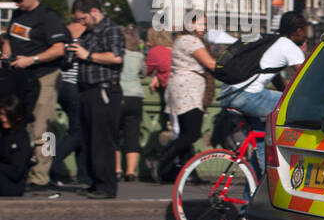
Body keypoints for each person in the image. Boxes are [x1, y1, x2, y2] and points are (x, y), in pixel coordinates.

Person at [1, 0, 71, 190]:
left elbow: (60, 48)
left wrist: (32, 59)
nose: (17, 4)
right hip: (21, 78)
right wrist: (7, 56)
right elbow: (10, 40)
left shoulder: (47, 17)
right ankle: (23, 170)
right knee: (20, 126)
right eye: (14, 1)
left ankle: (41, 176)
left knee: (44, 129)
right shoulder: (19, 14)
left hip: (44, 76)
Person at [220, 12, 308, 170]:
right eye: (306, 30)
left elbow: (274, 78)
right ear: (299, 30)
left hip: (228, 93)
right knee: (296, 106)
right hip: (247, 96)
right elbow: (307, 79)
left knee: (261, 138)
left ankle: (255, 188)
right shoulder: (290, 47)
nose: (306, 36)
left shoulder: (268, 40)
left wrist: (286, 91)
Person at [67, 0, 125, 199]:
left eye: (82, 18)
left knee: (102, 139)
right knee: (88, 138)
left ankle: (106, 185)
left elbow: (117, 57)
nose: (81, 23)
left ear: (93, 12)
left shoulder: (110, 30)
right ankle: (94, 180)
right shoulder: (88, 33)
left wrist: (88, 55)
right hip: (86, 90)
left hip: (104, 90)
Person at [148, 17, 217, 183]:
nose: (204, 27)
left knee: (186, 133)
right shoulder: (190, 40)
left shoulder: (180, 39)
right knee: (192, 133)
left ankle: (181, 171)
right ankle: (161, 160)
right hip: (188, 91)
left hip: (183, 89)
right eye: (201, 23)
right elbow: (210, 63)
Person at [49, 20, 90, 189]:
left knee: (81, 130)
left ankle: (84, 176)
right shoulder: (85, 34)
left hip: (61, 84)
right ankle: (51, 164)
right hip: (75, 86)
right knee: (78, 132)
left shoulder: (64, 30)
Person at [116, 27, 147, 182]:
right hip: (136, 95)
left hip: (119, 95)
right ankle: (130, 171)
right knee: (132, 135)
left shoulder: (117, 55)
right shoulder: (139, 56)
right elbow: (144, 73)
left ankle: (117, 169)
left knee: (114, 134)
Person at [0, 95, 32, 196]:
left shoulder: (22, 137)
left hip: (12, 185)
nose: (3, 119)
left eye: (7, 116)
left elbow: (16, 172)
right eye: (1, 115)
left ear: (18, 117)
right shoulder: (3, 132)